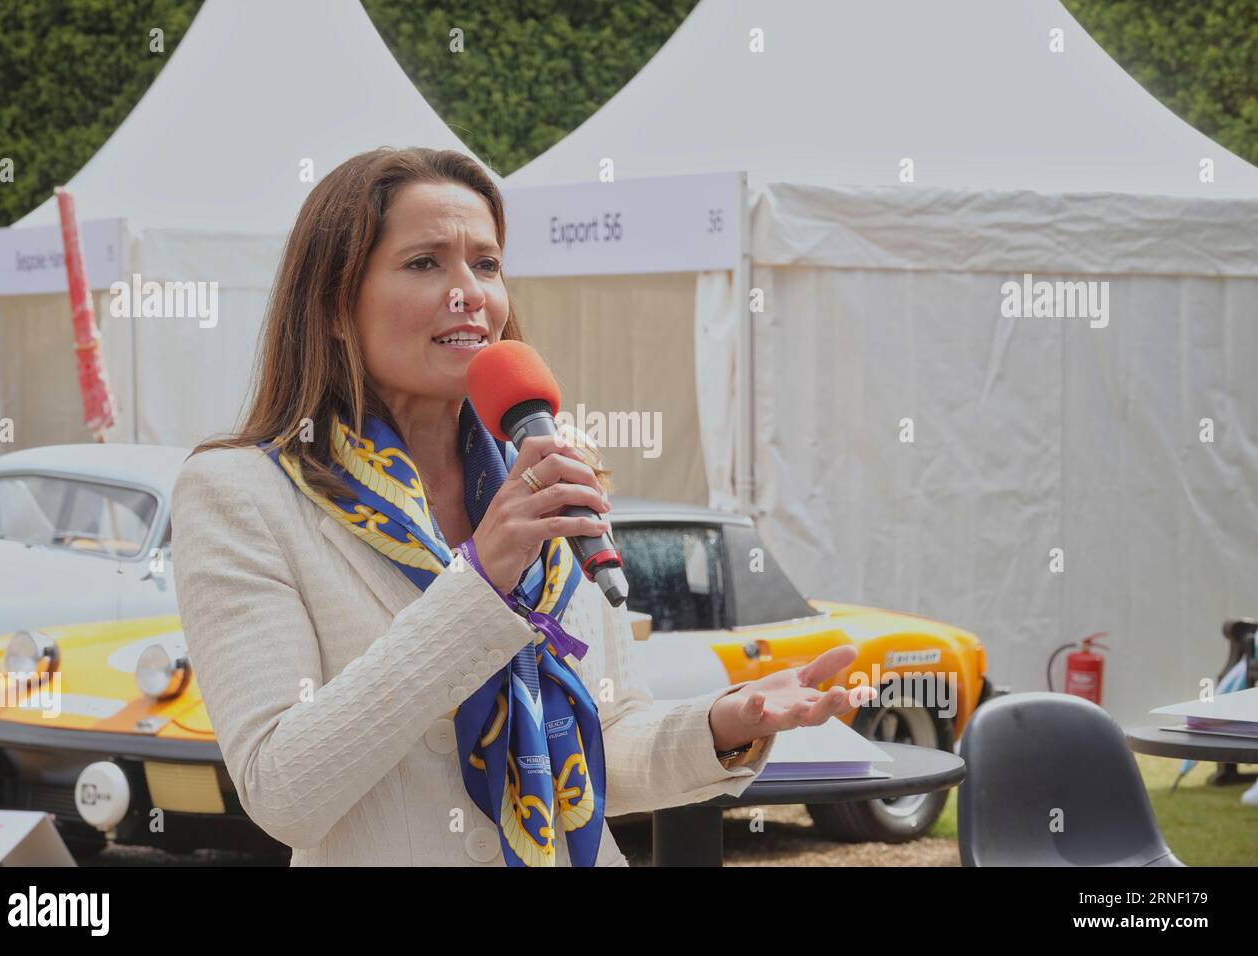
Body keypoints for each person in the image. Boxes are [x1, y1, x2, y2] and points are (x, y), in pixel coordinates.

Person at [170, 146, 877, 866]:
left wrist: (724, 723)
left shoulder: (548, 473)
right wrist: (480, 583)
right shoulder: (240, 494)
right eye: (425, 263)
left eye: (486, 263)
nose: (469, 292)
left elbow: (600, 742)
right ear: (331, 307)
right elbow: (283, 792)